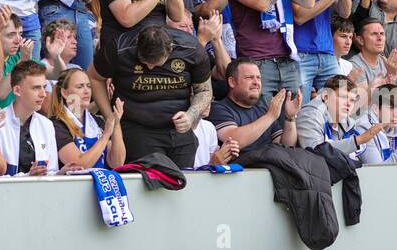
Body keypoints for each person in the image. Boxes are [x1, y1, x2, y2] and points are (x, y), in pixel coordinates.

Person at [91, 24, 211, 168]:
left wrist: (191, 115)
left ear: (170, 50)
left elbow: (204, 90)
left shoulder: (191, 49)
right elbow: (94, 77)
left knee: (182, 182)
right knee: (151, 180)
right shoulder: (120, 47)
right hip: (137, 127)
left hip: (179, 128)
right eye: (145, 62)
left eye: (156, 63)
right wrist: (111, 117)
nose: (150, 68)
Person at [210, 58, 301, 151]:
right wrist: (270, 116)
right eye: (249, 77)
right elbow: (234, 141)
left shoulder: (263, 112)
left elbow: (286, 147)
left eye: (258, 78)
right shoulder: (218, 109)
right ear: (232, 82)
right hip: (239, 165)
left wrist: (290, 118)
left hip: (268, 164)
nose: (256, 82)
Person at [45, 66, 126, 170]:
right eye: (80, 87)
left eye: (88, 86)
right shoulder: (57, 124)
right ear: (65, 93)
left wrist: (115, 124)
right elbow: (78, 165)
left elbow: (117, 163)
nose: (87, 91)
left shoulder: (97, 121)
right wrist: (105, 136)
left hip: (102, 184)